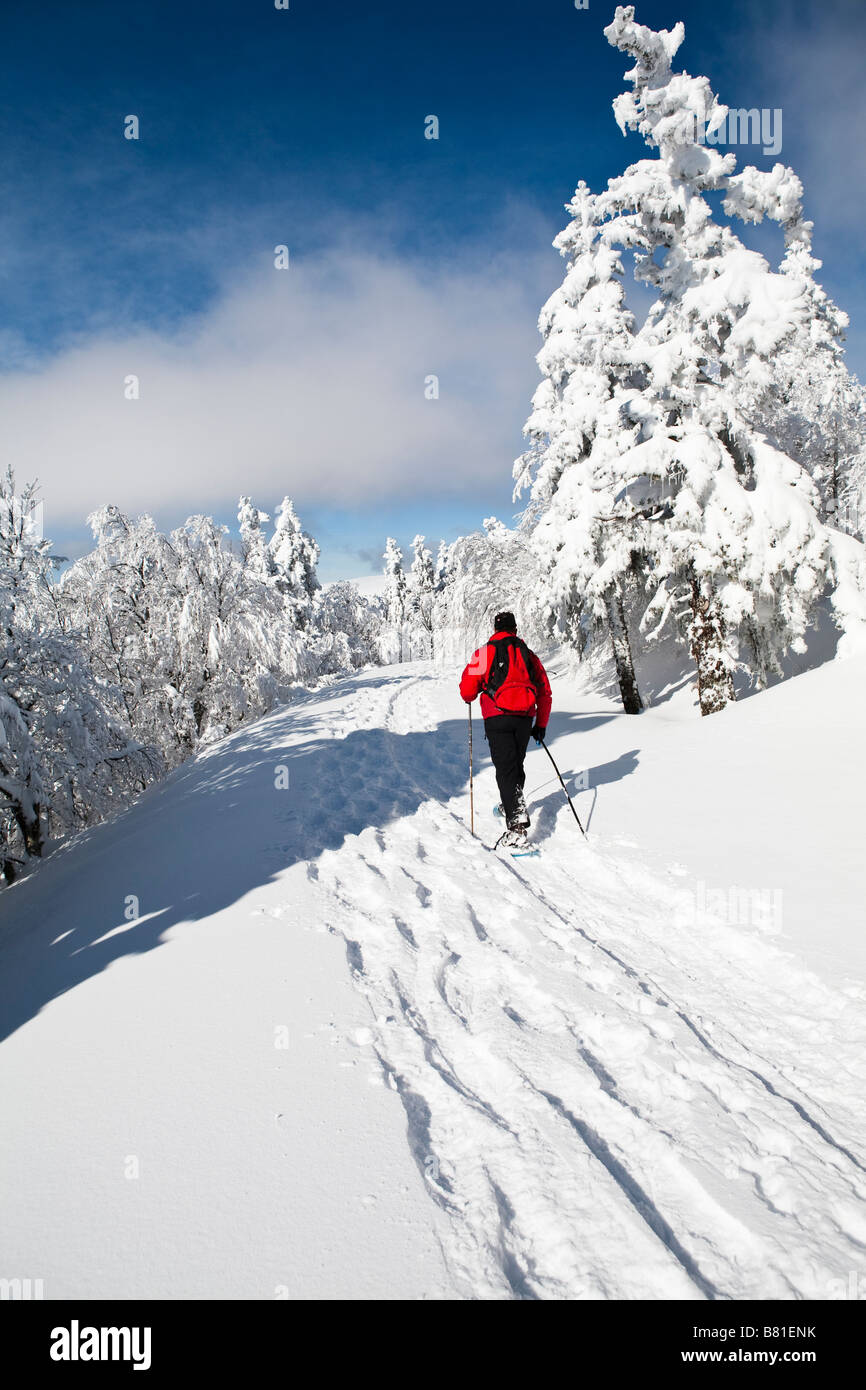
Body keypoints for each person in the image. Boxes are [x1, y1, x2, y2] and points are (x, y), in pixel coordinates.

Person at [459, 611, 552, 844]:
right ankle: (509, 803)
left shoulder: (484, 653)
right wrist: (541, 724)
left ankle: (518, 828)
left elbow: (467, 691)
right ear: (515, 629)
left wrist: (479, 689)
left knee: (506, 768)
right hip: (524, 717)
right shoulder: (529, 655)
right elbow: (544, 692)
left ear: (495, 629)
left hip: (497, 717)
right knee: (515, 765)